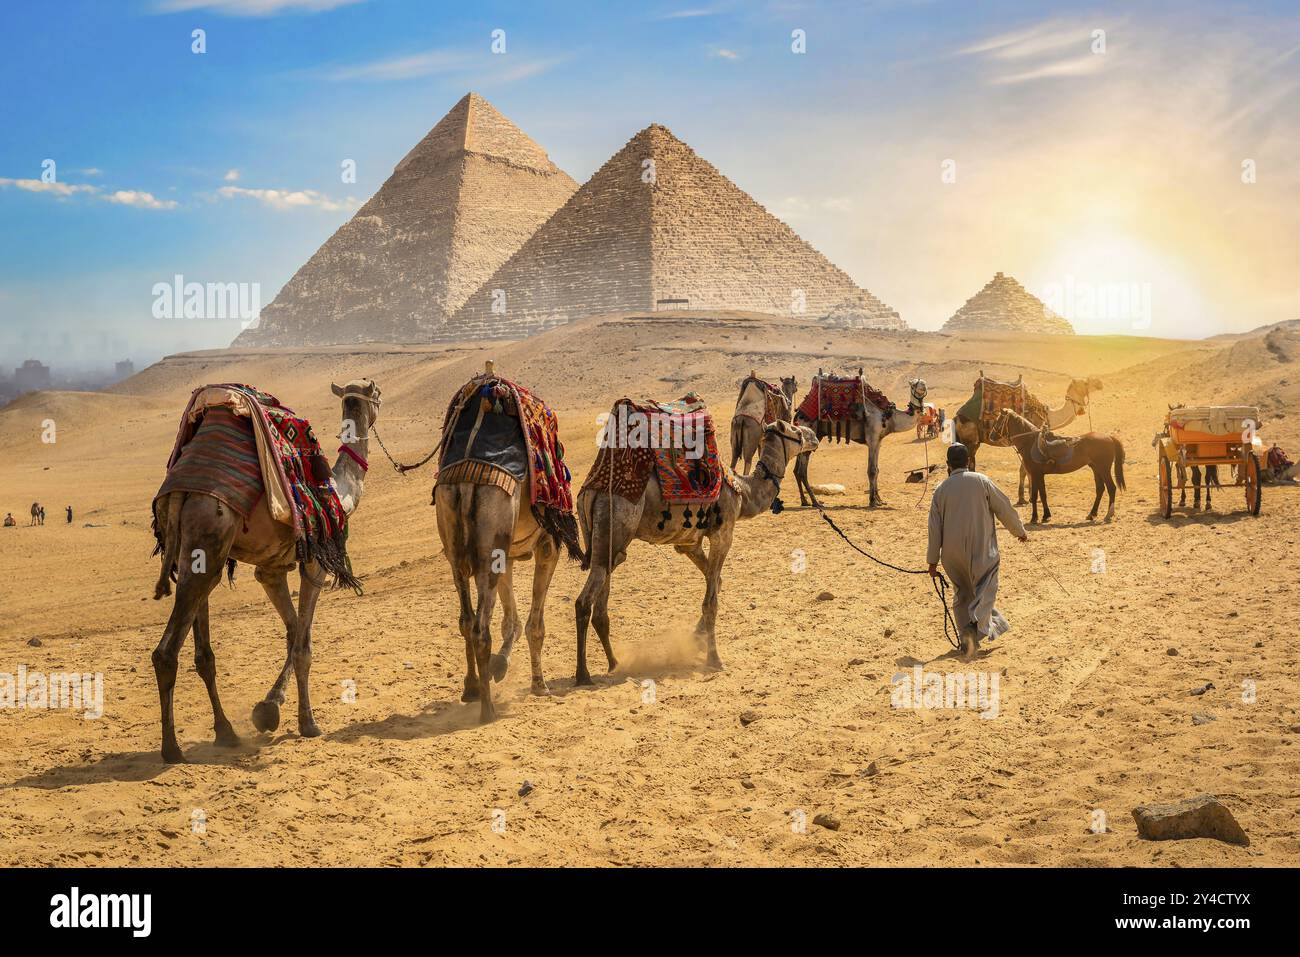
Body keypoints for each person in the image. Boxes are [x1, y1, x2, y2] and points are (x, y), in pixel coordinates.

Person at [927, 442, 1028, 659]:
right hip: (981, 549)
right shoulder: (981, 481)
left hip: (951, 555)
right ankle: (974, 629)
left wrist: (932, 562)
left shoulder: (940, 490)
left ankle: (967, 639)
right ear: (969, 462)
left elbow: (934, 528)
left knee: (963, 594)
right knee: (986, 588)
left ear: (947, 465)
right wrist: (1019, 531)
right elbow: (1004, 507)